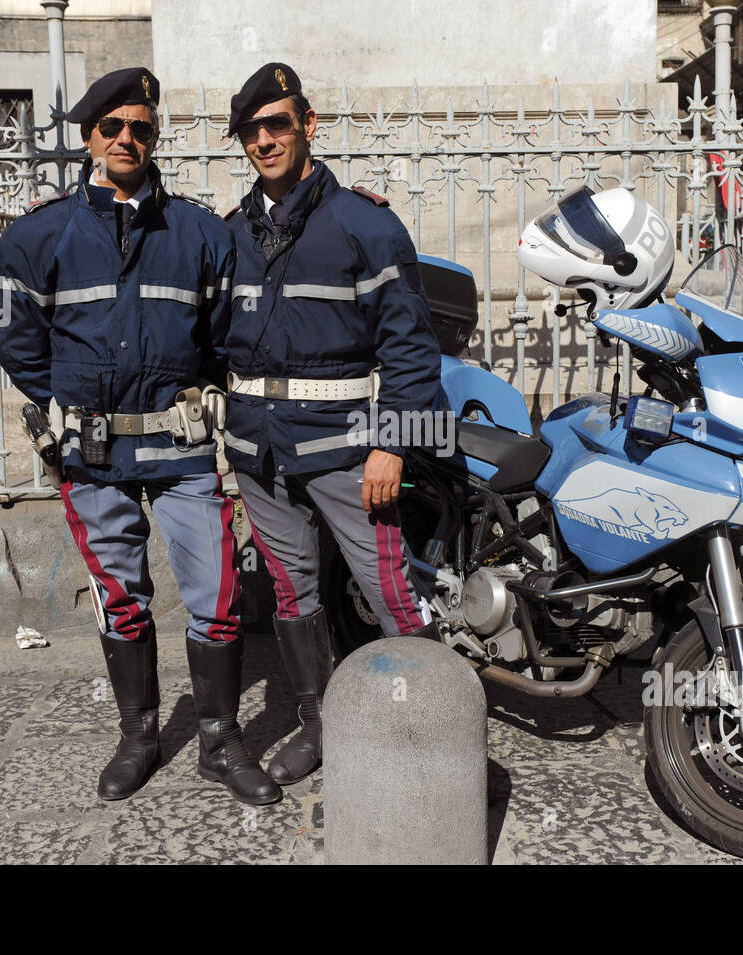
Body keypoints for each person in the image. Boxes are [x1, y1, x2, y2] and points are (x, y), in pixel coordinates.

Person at [0, 67, 279, 806]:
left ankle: (219, 739)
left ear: (155, 137)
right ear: (89, 135)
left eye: (141, 127)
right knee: (120, 599)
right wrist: (63, 403)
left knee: (217, 596)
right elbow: (19, 341)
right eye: (113, 126)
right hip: (91, 457)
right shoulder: (37, 234)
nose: (128, 138)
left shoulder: (198, 233)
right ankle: (140, 736)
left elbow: (221, 339)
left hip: (181, 453)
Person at [222, 62, 441, 786]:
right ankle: (320, 726)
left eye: (277, 123)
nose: (265, 139)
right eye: (251, 130)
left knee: (391, 591)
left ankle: (434, 736)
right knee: (293, 592)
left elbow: (410, 349)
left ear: (307, 125)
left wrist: (394, 447)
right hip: (259, 453)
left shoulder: (365, 224)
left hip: (350, 454)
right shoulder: (229, 235)